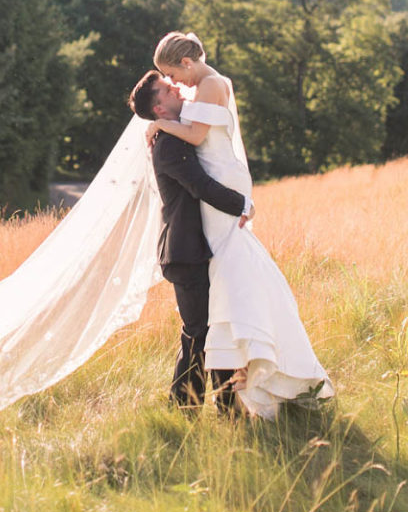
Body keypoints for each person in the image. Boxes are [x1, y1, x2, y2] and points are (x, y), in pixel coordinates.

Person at [144, 30, 334, 420]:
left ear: (186, 63)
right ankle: (221, 400)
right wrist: (161, 127)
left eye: (173, 77)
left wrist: (161, 126)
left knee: (220, 307)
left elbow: (197, 135)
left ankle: (229, 399)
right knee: (216, 312)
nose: (177, 86)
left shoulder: (209, 86)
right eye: (169, 86)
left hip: (221, 199)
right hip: (207, 216)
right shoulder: (202, 91)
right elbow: (197, 169)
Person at [128, 69, 252, 413]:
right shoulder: (168, 146)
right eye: (168, 90)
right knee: (199, 333)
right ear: (159, 109)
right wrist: (241, 204)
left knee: (211, 330)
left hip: (199, 248)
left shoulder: (177, 135)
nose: (178, 89)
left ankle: (225, 408)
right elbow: (200, 186)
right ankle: (184, 409)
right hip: (184, 252)